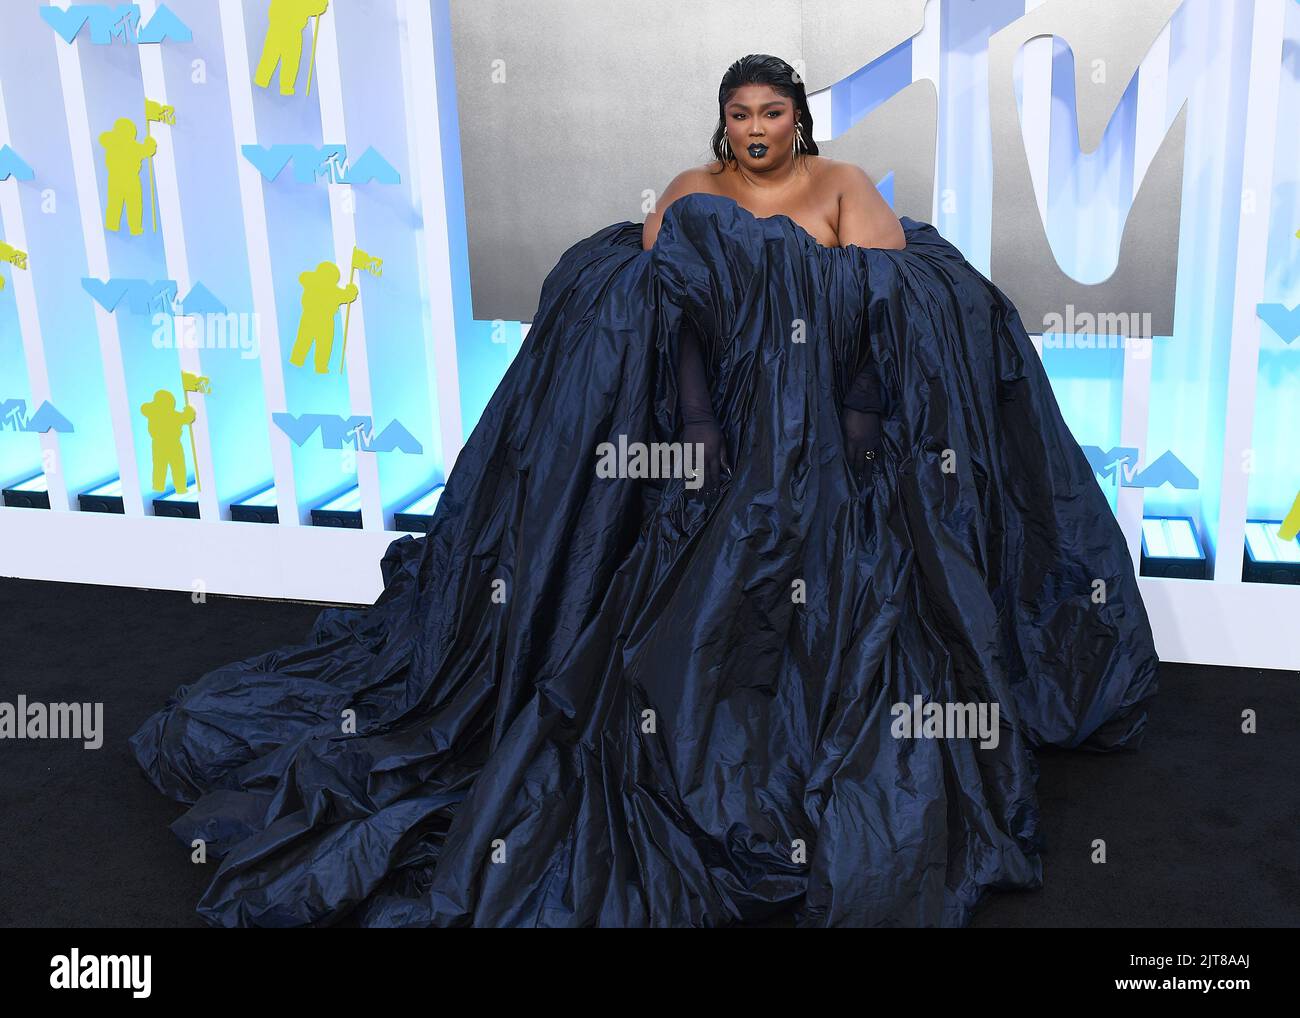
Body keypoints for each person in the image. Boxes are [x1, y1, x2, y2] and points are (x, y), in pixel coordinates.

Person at [130, 54, 1160, 928]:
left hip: (829, 449)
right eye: (739, 115)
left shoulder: (845, 183)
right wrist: (705, 431)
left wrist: (849, 423)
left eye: (772, 113)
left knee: (847, 604)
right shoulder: (686, 187)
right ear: (722, 122)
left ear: (799, 118)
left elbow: (885, 311)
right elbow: (668, 315)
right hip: (708, 441)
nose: (756, 128)